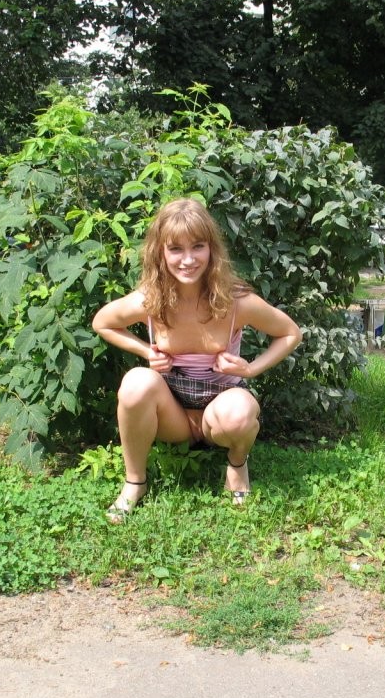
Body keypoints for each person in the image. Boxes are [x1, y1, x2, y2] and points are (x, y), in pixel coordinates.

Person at [92, 198, 302, 523]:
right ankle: (135, 482)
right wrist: (146, 352)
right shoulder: (151, 299)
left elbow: (290, 333)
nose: (188, 260)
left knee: (239, 413)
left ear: (211, 250)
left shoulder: (236, 301)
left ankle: (236, 463)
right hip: (172, 416)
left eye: (198, 247)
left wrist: (250, 368)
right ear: (160, 252)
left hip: (219, 413)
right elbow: (103, 322)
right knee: (136, 383)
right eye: (175, 249)